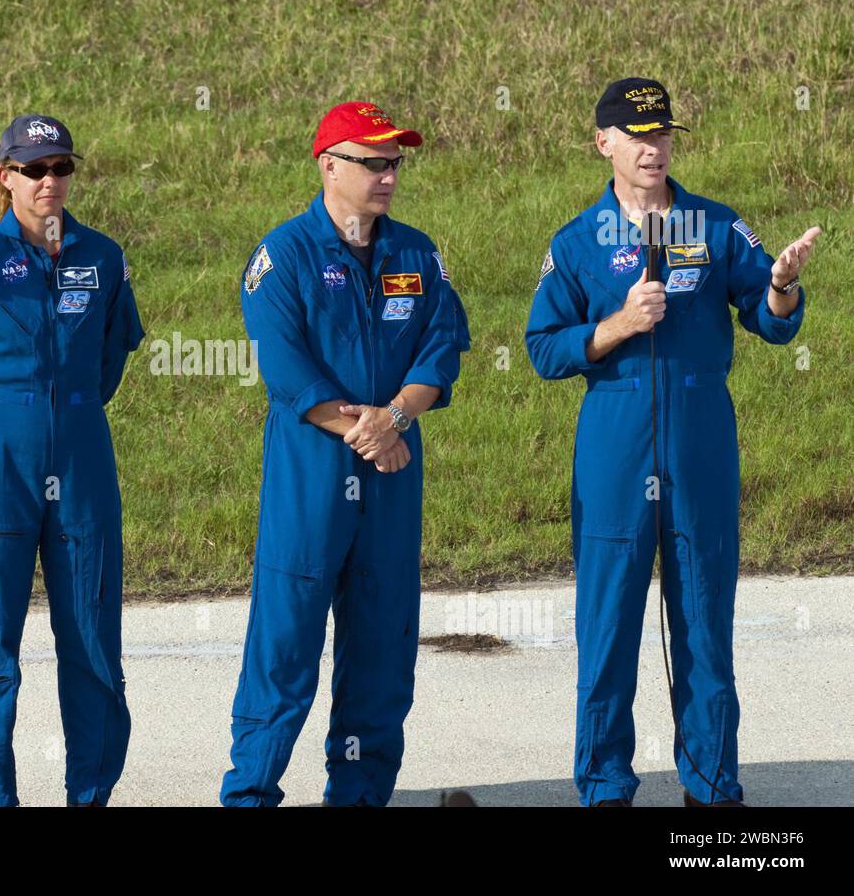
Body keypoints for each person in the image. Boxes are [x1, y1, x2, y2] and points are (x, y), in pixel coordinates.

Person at [525, 78, 817, 807]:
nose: (654, 147)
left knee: (706, 624)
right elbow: (542, 346)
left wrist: (780, 286)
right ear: (604, 143)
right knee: (608, 629)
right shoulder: (575, 241)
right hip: (614, 443)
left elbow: (772, 319)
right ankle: (604, 786)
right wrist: (618, 326)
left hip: (699, 440)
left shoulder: (715, 227)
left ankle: (712, 790)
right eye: (638, 135)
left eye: (663, 134)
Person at [220, 101, 471, 806]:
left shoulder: (417, 254)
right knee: (286, 643)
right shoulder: (285, 254)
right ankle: (250, 792)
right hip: (313, 478)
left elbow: (440, 348)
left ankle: (359, 794)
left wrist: (393, 417)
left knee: (382, 645)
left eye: (395, 162)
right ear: (329, 164)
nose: (389, 174)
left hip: (391, 479)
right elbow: (286, 367)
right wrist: (365, 429)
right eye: (374, 161)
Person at [0, 114, 145, 807]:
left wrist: (64, 411)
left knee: (92, 640)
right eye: (33, 168)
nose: (49, 180)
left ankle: (91, 791)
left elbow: (112, 359)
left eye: (60, 168)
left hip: (82, 455)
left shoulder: (103, 257)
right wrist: (9, 422)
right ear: (5, 177)